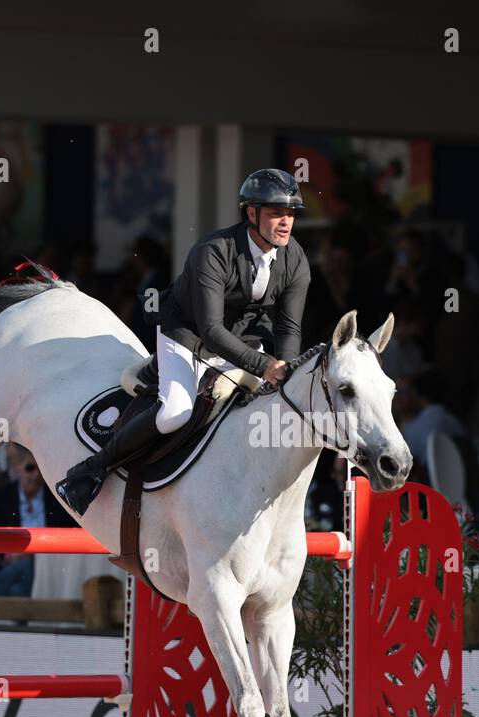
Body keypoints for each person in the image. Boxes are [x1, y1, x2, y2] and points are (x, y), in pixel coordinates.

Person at [57, 169, 310, 514]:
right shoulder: (213, 251)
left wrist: (287, 370)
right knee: (177, 412)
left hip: (244, 338)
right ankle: (93, 469)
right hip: (187, 332)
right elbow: (211, 330)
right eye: (276, 213)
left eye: (291, 214)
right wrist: (265, 365)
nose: (286, 222)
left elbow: (289, 328)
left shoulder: (295, 259)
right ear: (251, 213)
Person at [0, 445, 76, 596]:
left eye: (40, 468)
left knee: (19, 588)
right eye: (30, 468)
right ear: (17, 468)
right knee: (26, 571)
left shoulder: (56, 499)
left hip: (49, 567)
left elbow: (71, 532)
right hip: (7, 568)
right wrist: (5, 556)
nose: (36, 474)